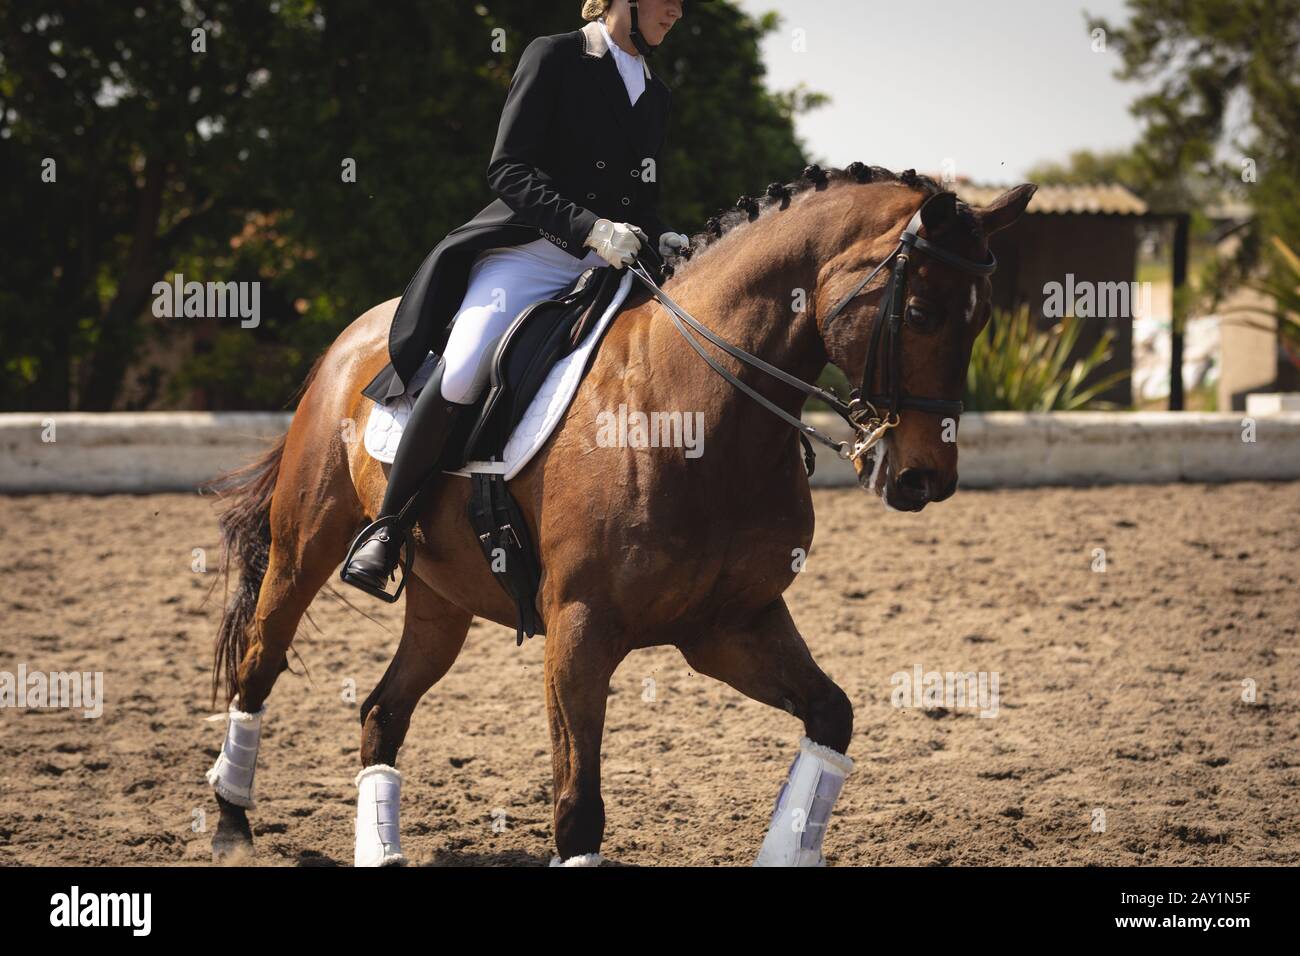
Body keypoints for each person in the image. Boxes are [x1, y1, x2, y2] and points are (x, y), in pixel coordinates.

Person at [342, 0, 697, 599]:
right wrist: (589, 227)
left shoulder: (656, 92)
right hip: (533, 253)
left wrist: (658, 232)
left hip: (612, 261)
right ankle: (388, 528)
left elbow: (639, 195)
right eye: (668, 0)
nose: (677, 12)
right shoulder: (554, 54)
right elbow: (509, 169)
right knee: (461, 370)